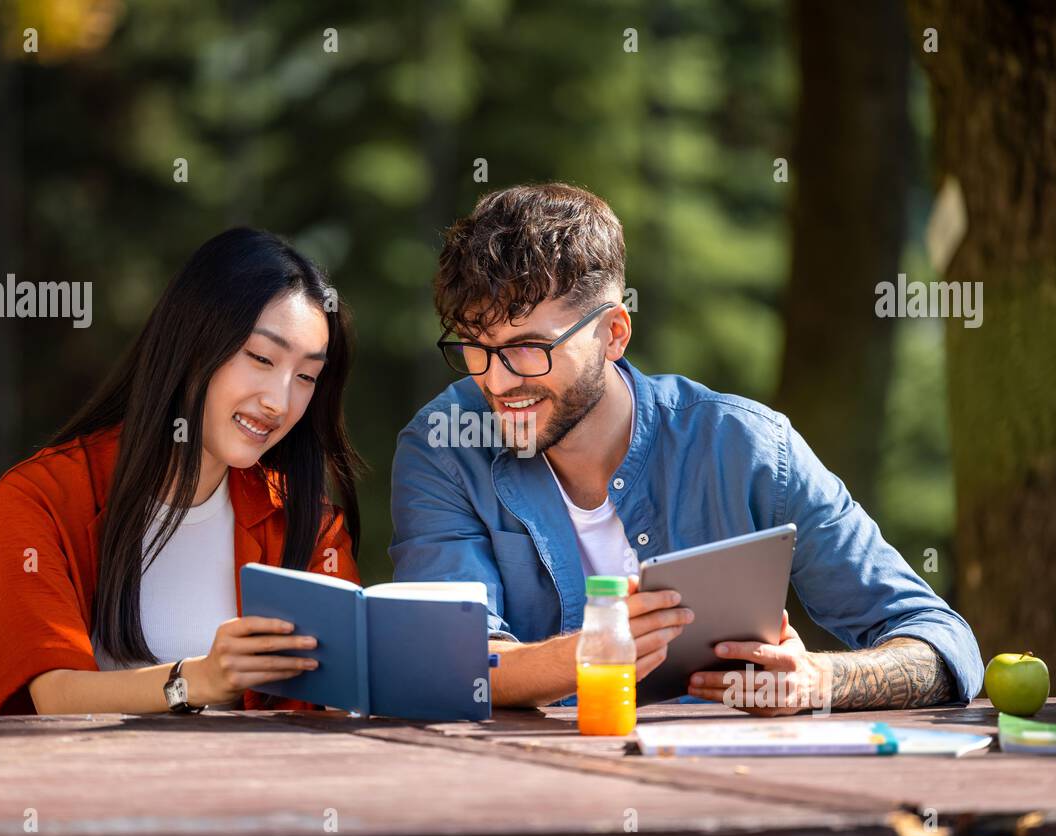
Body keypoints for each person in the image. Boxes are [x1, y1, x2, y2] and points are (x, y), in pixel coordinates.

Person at [390, 183, 983, 716]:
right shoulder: (443, 445)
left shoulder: (746, 448)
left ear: (614, 333)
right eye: (475, 347)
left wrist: (819, 680)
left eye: (528, 349)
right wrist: (594, 651)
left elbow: (941, 642)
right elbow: (445, 660)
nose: (495, 382)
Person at [0, 227, 362, 715]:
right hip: (92, 789)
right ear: (193, 342)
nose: (279, 401)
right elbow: (55, 696)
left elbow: (335, 707)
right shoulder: (41, 498)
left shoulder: (307, 523)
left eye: (306, 376)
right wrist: (195, 680)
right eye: (262, 358)